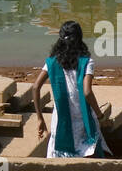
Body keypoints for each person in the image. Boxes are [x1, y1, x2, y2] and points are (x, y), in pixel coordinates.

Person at [32, 21, 110, 157]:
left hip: (61, 119)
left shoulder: (52, 62)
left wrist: (40, 118)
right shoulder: (86, 62)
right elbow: (87, 92)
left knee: (61, 154)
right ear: (79, 38)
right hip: (82, 117)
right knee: (89, 151)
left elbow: (35, 87)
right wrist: (100, 116)